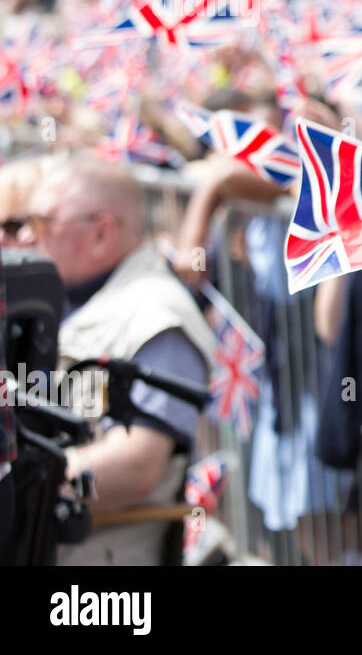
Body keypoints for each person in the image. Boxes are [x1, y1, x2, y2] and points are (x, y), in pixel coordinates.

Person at [25, 157, 215, 565]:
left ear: (100, 234)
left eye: (43, 224)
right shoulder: (61, 297)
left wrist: (22, 478)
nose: (26, 236)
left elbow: (136, 466)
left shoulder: (157, 315)